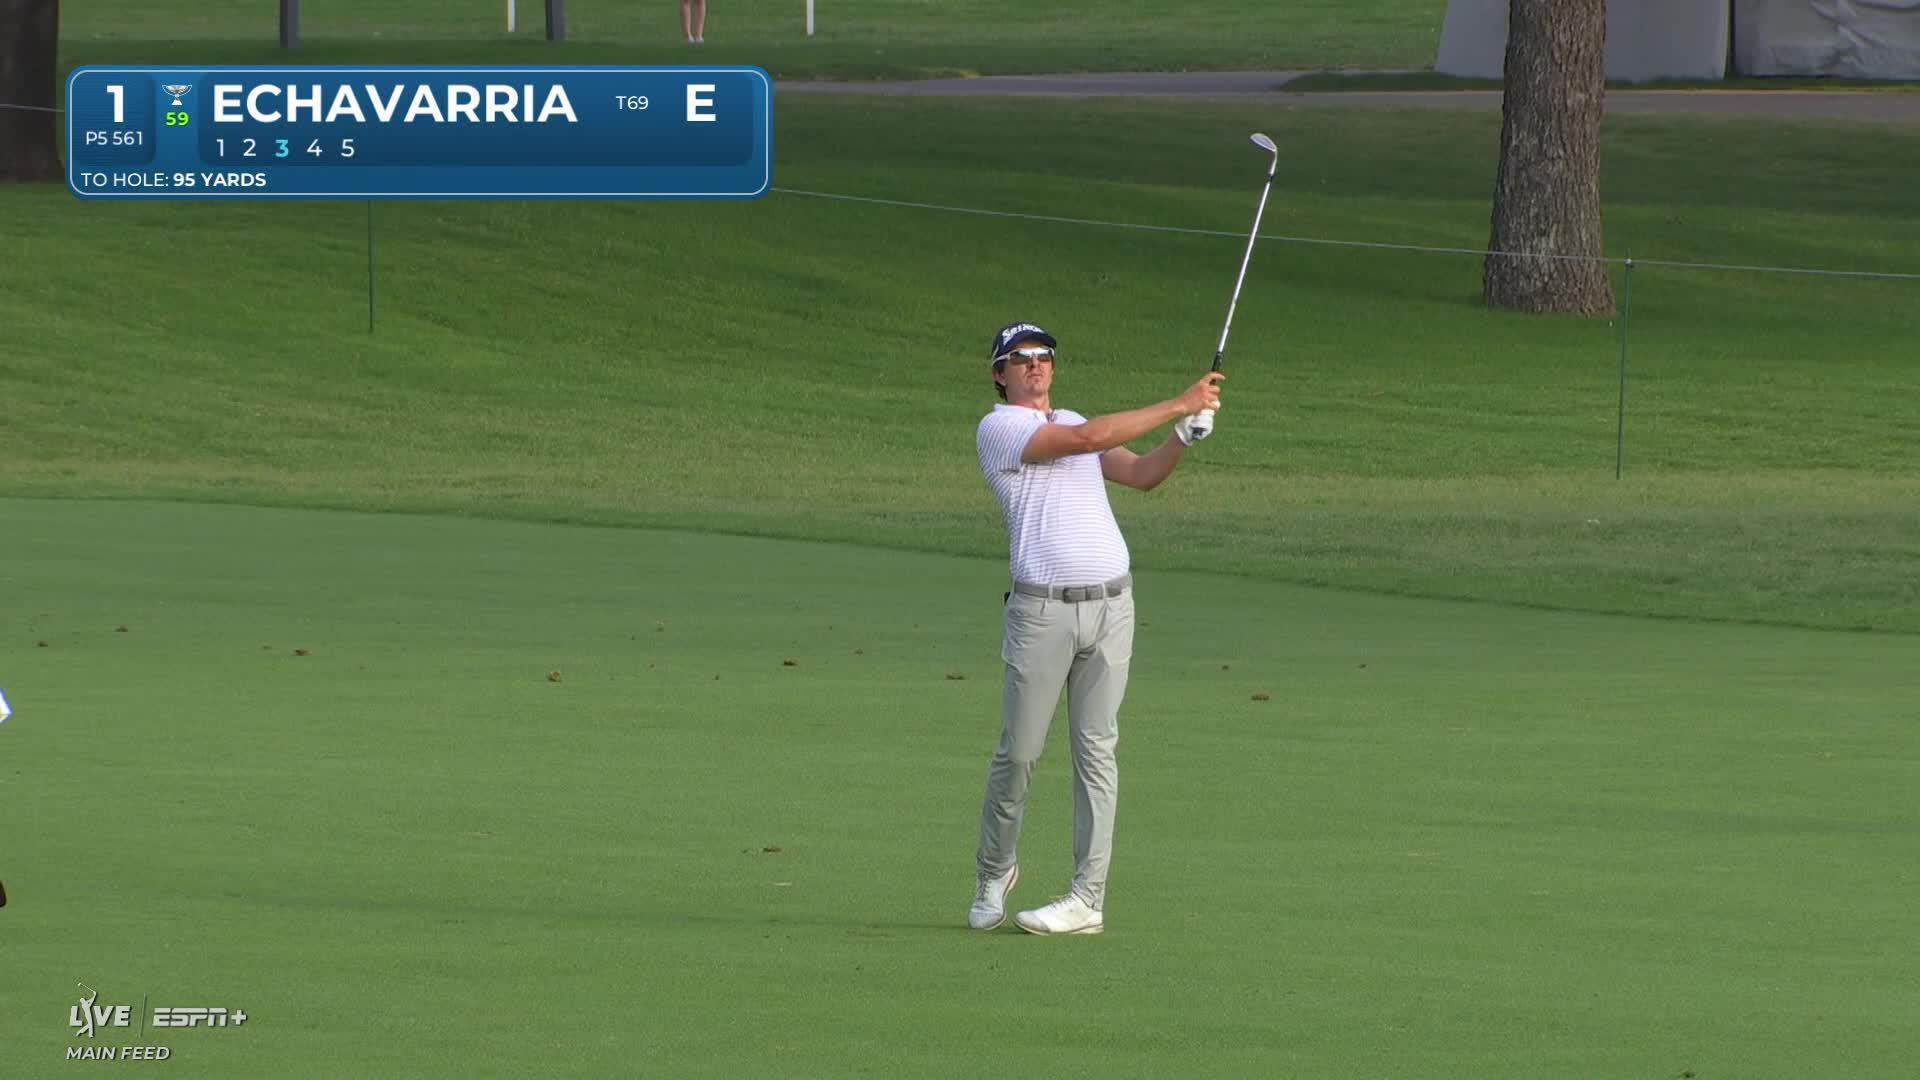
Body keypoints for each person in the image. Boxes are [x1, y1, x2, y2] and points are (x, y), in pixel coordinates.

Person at [967, 320, 1222, 935]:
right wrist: (1177, 402)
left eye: (1044, 355)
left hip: (1111, 606)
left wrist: (1182, 436)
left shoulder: (1073, 420)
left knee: (1097, 751)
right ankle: (994, 869)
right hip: (1041, 611)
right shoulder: (1000, 428)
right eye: (1021, 357)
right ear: (1000, 374)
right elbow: (1085, 439)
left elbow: (1140, 475)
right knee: (1020, 753)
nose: (1035, 364)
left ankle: (1087, 897)